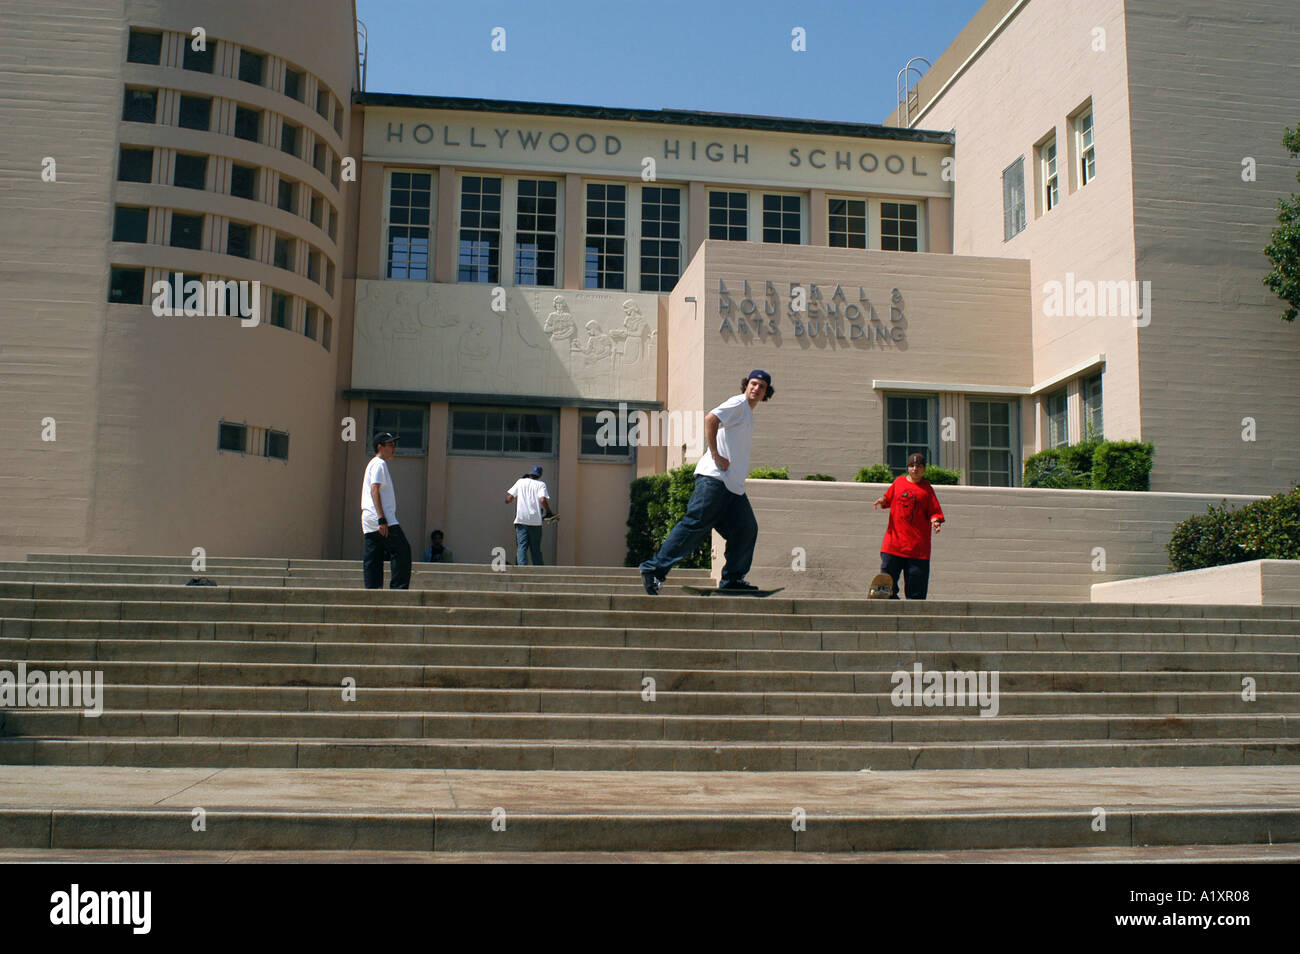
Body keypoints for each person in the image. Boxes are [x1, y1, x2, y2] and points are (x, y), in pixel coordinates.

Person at [639, 370, 773, 595]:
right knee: (695, 524)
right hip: (714, 479)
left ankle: (732, 578)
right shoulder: (738, 403)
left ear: (766, 393)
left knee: (745, 529)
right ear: (746, 385)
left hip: (732, 487)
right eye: (753, 384)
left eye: (761, 386)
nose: (756, 389)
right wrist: (715, 454)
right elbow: (711, 419)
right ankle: (654, 569)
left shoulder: (747, 414)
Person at [872, 452, 945, 599]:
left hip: (917, 549)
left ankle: (911, 616)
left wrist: (935, 521)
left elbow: (935, 512)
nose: (914, 469)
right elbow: (888, 498)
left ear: (924, 469)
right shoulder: (898, 482)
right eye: (911, 466)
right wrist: (882, 501)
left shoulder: (927, 489)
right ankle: (891, 606)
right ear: (908, 468)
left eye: (918, 466)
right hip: (894, 545)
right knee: (887, 583)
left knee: (916, 593)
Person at [361, 432, 412, 589]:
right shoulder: (379, 464)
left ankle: (372, 591)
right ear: (380, 447)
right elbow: (374, 489)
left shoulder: (372, 463)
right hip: (382, 518)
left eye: (394, 445)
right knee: (402, 551)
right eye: (390, 445)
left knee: (373, 556)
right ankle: (398, 590)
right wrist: (382, 519)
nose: (393, 448)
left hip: (368, 518)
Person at [505, 465, 552, 566]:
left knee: (522, 547)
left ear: (530, 473)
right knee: (535, 549)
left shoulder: (520, 482)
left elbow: (509, 499)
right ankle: (538, 571)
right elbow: (543, 499)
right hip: (535, 521)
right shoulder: (541, 484)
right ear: (539, 475)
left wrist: (507, 500)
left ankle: (522, 571)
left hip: (521, 520)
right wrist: (549, 512)